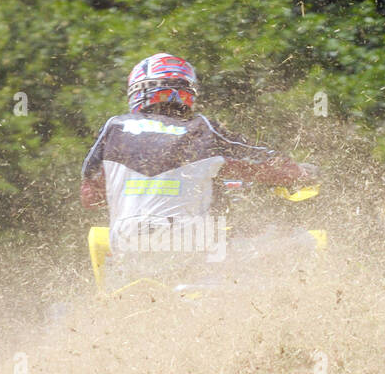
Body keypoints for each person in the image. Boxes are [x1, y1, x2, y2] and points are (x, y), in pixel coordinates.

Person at [80, 53, 316, 266]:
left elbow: (90, 198)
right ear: (188, 93)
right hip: (189, 246)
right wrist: (302, 173)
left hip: (126, 244)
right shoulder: (202, 129)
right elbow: (266, 164)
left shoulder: (114, 128)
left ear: (137, 92)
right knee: (300, 240)